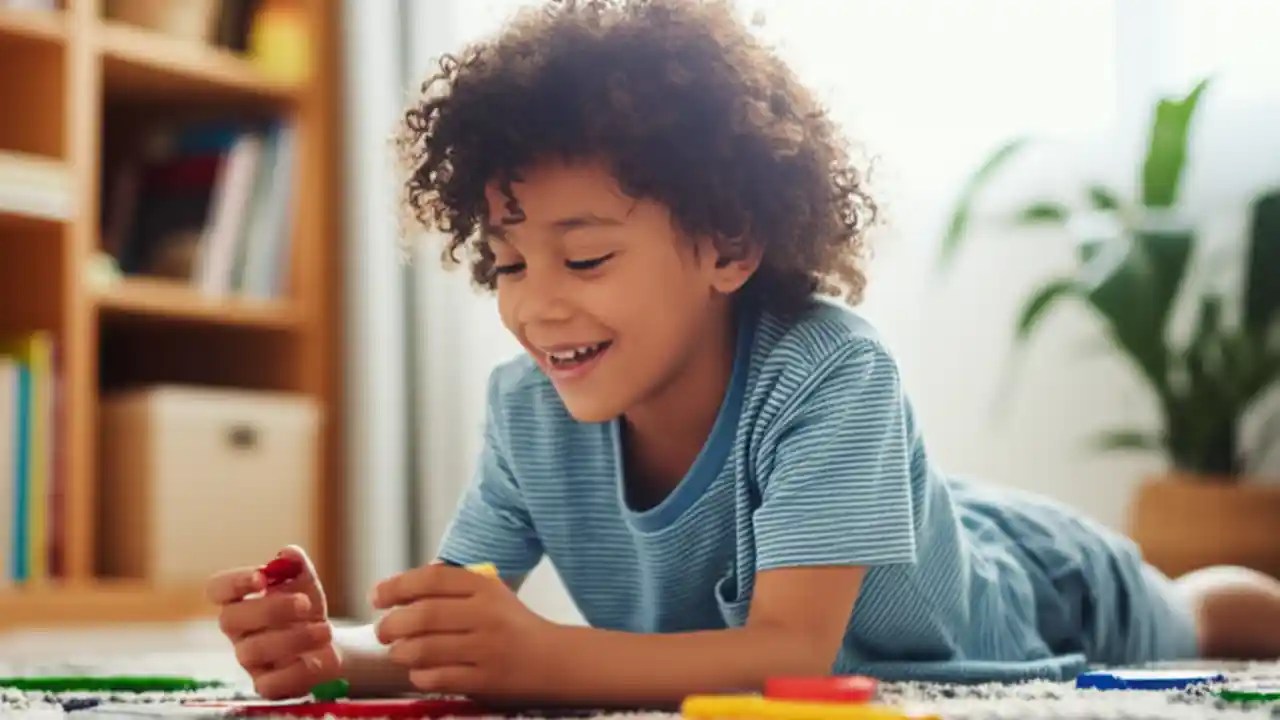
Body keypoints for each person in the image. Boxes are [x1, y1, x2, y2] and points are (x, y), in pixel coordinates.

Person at [205, 0, 1280, 707]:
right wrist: (330, 649)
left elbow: (788, 654)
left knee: (1201, 613)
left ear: (726, 242)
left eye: (581, 258)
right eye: (505, 266)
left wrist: (544, 660)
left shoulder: (828, 370)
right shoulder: (523, 411)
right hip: (883, 523)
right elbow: (459, 629)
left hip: (1026, 585)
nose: (535, 308)